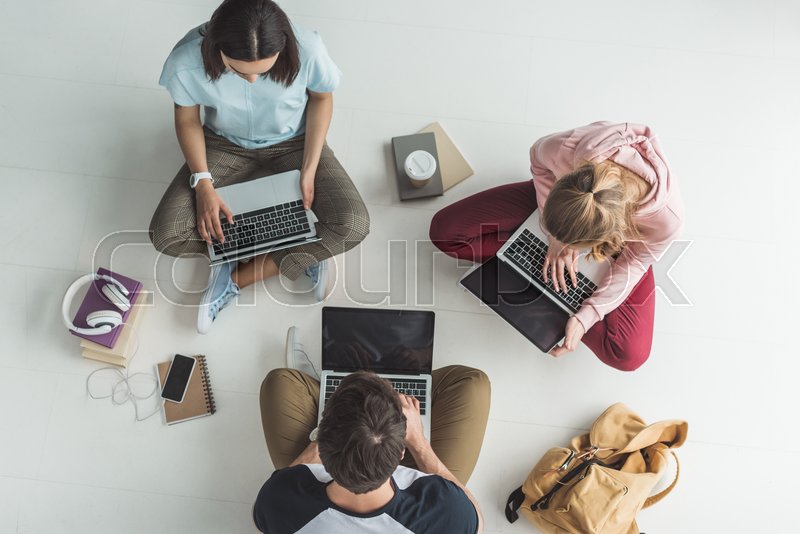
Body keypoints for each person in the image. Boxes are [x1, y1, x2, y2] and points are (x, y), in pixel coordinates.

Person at [149, 0, 369, 334]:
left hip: (294, 141)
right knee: (166, 235)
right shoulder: (185, 59)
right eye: (238, 71)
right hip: (223, 144)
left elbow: (322, 98)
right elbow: (187, 119)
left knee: (352, 225)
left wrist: (309, 168)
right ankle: (303, 246)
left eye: (263, 71)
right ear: (215, 47)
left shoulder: (308, 48)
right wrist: (203, 182)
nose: (252, 80)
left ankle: (237, 274)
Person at [429, 122, 684, 371]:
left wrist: (585, 318)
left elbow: (636, 262)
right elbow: (538, 160)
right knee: (445, 234)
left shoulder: (666, 220)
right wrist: (553, 238)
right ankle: (542, 258)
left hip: (628, 252)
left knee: (627, 356)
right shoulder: (569, 149)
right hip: (563, 206)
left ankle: (549, 280)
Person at [254, 337, 491, 533]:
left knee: (280, 381)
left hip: (341, 465)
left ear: (323, 456)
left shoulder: (277, 499)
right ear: (401, 453)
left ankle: (320, 394)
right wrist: (419, 444)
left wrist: (327, 433)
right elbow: (477, 524)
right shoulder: (447, 510)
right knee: (472, 383)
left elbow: (265, 516)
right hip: (402, 471)